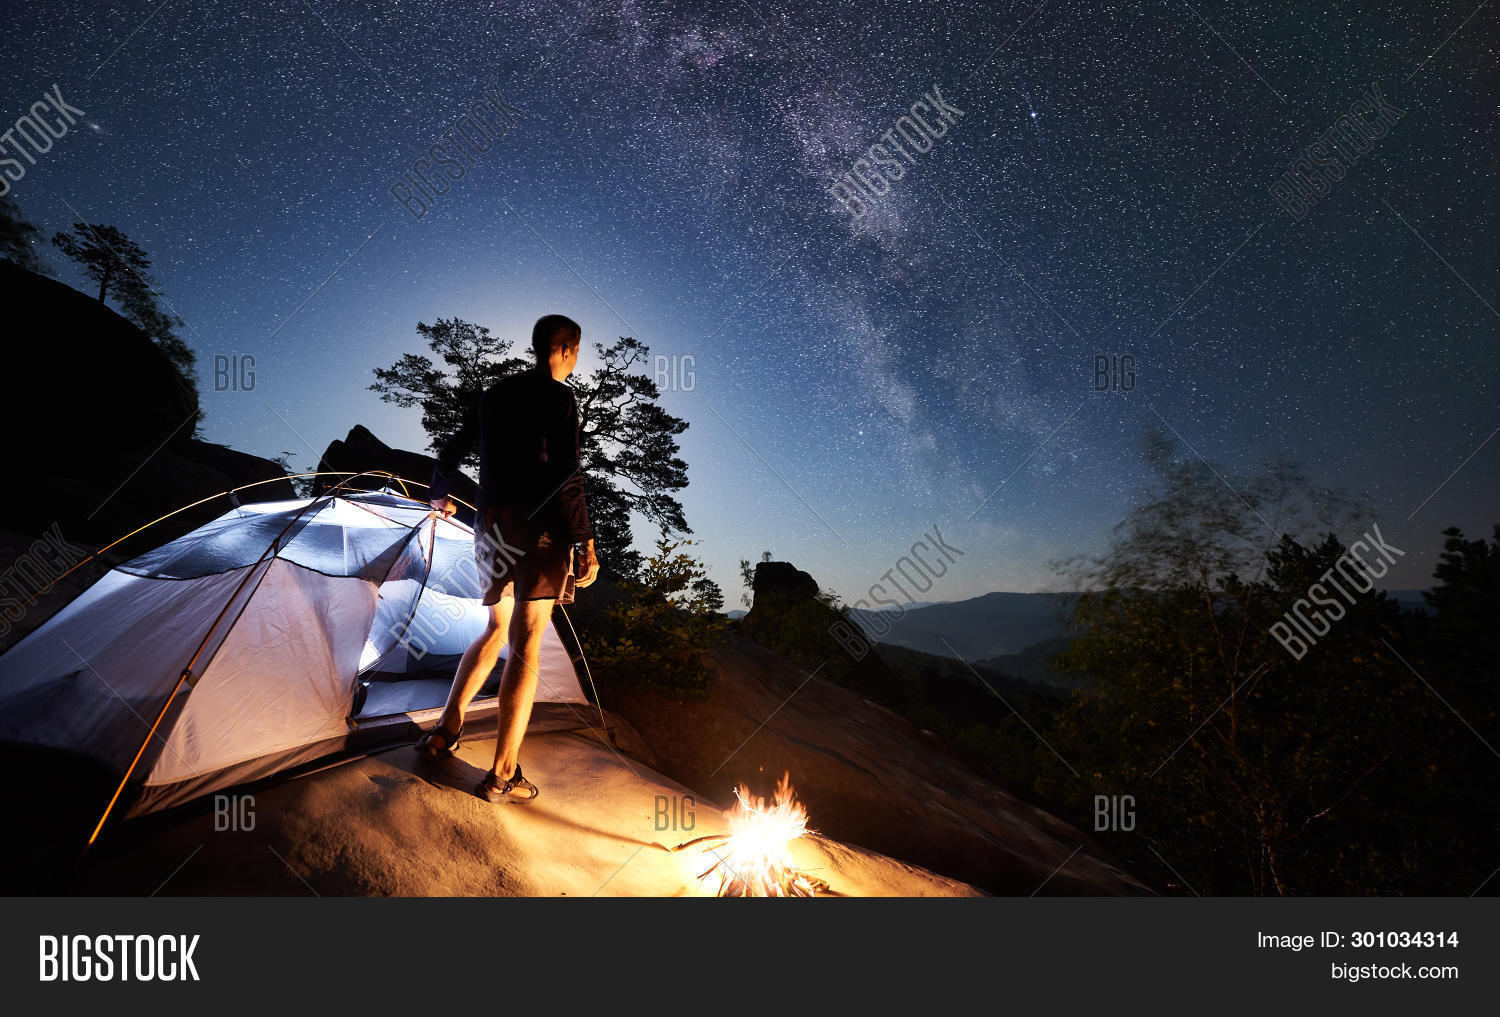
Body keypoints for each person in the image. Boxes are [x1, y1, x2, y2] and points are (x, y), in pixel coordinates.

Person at [417, 313, 600, 803]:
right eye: (575, 352)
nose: (574, 361)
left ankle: (443, 733)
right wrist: (584, 541)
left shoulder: (494, 396)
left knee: (495, 630)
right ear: (564, 350)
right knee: (526, 641)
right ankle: (502, 771)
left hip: (490, 524)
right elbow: (567, 473)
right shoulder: (558, 397)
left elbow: (451, 448)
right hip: (538, 533)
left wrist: (439, 494)